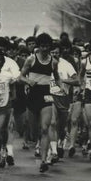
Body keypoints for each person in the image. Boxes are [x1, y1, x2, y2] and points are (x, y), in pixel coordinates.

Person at [19, 33, 60, 172]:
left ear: (50, 47)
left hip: (46, 95)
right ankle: (36, 144)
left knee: (44, 128)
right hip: (32, 95)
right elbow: (20, 76)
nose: (44, 48)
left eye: (47, 46)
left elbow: (57, 77)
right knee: (34, 130)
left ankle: (43, 161)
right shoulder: (31, 59)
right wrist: (28, 81)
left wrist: (60, 89)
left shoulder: (53, 61)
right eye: (42, 46)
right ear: (38, 46)